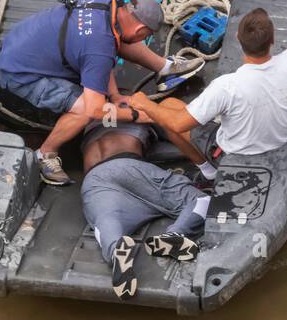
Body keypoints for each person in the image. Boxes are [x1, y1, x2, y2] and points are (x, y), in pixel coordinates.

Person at [0, 0, 204, 185]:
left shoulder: (107, 3)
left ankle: (165, 69)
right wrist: (133, 114)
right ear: (141, 29)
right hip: (22, 74)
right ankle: (45, 154)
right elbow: (94, 110)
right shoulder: (98, 48)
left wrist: (114, 95)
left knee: (119, 41)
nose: (143, 40)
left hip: (21, 42)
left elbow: (104, 49)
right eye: (144, 36)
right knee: (84, 108)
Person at [129, 0, 287, 157]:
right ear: (272, 40)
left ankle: (207, 170)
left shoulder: (225, 87)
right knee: (170, 107)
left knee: (168, 108)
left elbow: (177, 124)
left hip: (236, 154)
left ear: (237, 39)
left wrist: (145, 104)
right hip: (283, 145)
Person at [80, 119, 212, 299]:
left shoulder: (88, 124)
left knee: (105, 219)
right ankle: (175, 235)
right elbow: (178, 140)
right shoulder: (138, 115)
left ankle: (115, 249)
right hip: (128, 166)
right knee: (202, 199)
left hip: (94, 178)